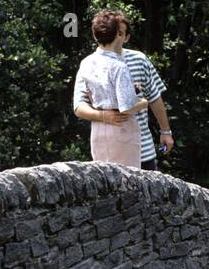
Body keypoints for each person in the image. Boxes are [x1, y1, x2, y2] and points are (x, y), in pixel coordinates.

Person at [74, 12, 174, 170]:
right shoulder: (90, 63)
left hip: (143, 149)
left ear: (126, 37)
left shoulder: (139, 59)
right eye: (114, 32)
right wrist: (104, 116)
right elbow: (79, 106)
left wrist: (166, 131)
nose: (117, 35)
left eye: (120, 32)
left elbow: (155, 97)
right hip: (112, 143)